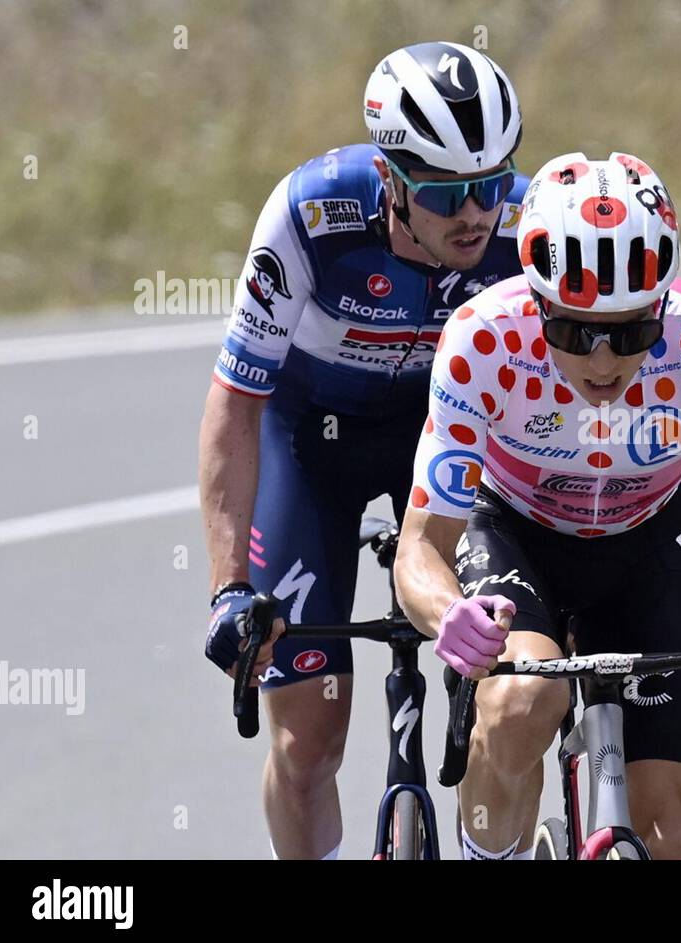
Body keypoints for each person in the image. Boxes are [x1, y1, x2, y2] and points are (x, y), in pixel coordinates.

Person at [394, 151, 681, 860]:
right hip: (513, 532)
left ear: (664, 305)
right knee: (522, 702)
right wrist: (446, 612)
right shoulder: (483, 338)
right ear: (538, 302)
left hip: (643, 545)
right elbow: (422, 547)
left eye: (633, 331)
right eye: (577, 332)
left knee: (670, 826)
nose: (604, 362)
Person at [199, 41, 526, 860]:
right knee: (307, 744)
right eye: (449, 193)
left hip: (449, 438)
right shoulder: (311, 216)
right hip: (314, 442)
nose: (476, 214)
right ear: (389, 181)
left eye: (491, 184)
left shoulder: (526, 225)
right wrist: (228, 587)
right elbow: (237, 403)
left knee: (519, 687)